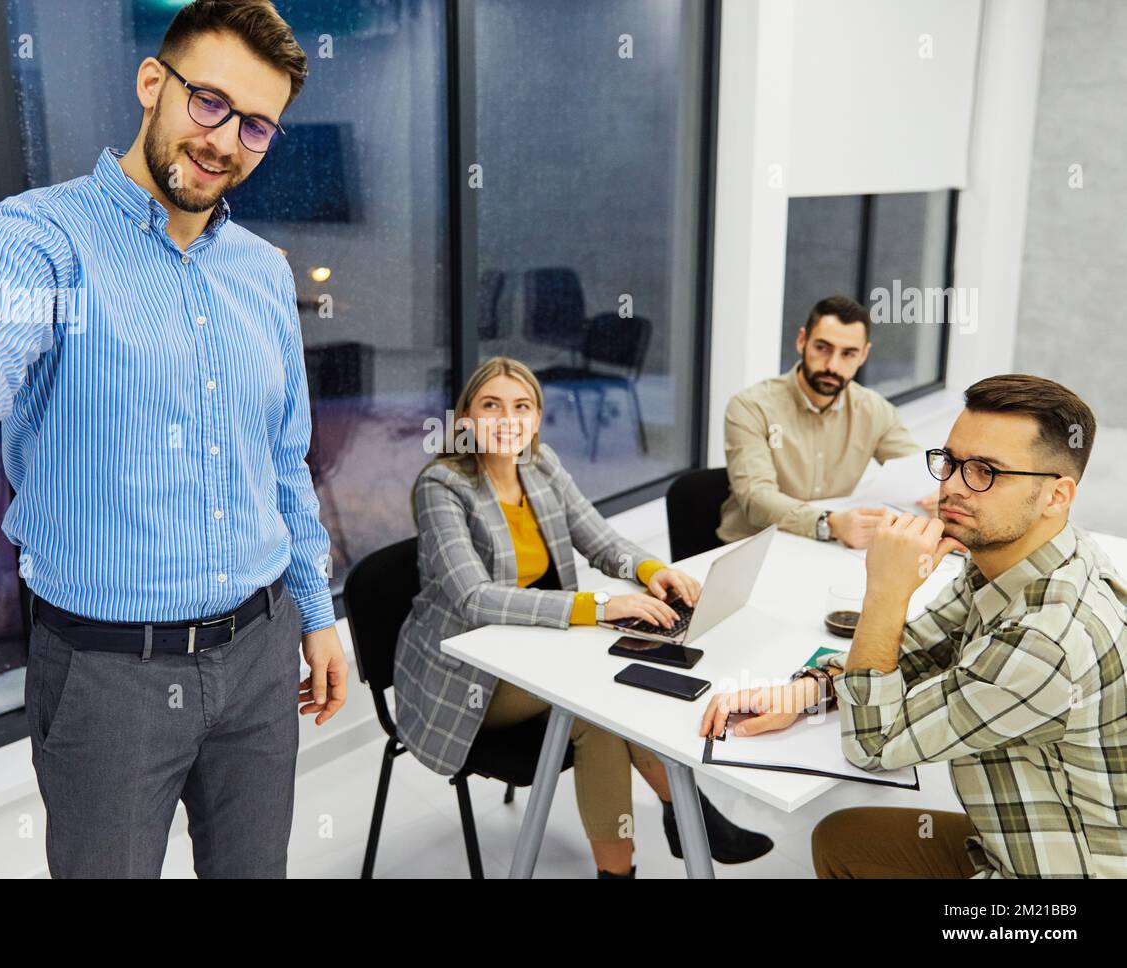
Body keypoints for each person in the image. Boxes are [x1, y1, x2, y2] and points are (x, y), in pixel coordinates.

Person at [0, 0, 347, 877]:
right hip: (110, 676)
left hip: (264, 654)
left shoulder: (263, 274)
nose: (226, 140)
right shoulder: (44, 239)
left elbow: (284, 465)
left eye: (257, 126)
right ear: (153, 83)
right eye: (210, 103)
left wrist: (316, 614)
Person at [700, 374, 1127, 878]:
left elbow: (873, 745)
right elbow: (923, 650)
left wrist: (885, 591)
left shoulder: (1048, 641)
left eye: (985, 472)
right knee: (843, 840)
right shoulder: (1030, 555)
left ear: (1056, 495)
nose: (951, 487)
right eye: (951, 462)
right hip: (1019, 844)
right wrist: (809, 691)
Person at [395, 357, 773, 877]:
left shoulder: (541, 464)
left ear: (537, 418)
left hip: (536, 645)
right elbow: (474, 599)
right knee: (598, 710)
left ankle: (671, 830)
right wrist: (598, 607)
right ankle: (687, 821)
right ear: (465, 420)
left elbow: (598, 537)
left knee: (613, 698)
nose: (508, 418)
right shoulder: (442, 486)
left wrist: (648, 568)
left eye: (522, 406)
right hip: (465, 671)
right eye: (492, 406)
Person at [717, 294, 933, 548]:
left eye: (848, 354)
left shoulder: (875, 410)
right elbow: (757, 499)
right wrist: (830, 523)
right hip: (755, 548)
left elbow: (917, 472)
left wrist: (939, 496)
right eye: (822, 348)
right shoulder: (750, 407)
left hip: (827, 549)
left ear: (863, 355)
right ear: (802, 341)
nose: (832, 365)